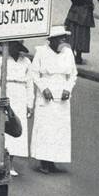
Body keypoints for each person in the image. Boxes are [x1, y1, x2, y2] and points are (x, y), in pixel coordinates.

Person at [29, 27, 75, 174]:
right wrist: (43, 88)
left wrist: (68, 88)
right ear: (52, 40)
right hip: (46, 97)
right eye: (60, 38)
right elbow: (34, 73)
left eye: (64, 37)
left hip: (61, 97)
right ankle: (44, 161)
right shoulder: (41, 52)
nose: (63, 40)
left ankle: (53, 160)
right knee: (45, 128)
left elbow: (73, 74)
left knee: (59, 129)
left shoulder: (68, 53)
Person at [64, 0, 94, 64]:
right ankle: (72, 54)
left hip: (82, 14)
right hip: (77, 13)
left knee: (80, 35)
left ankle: (78, 55)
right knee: (73, 34)